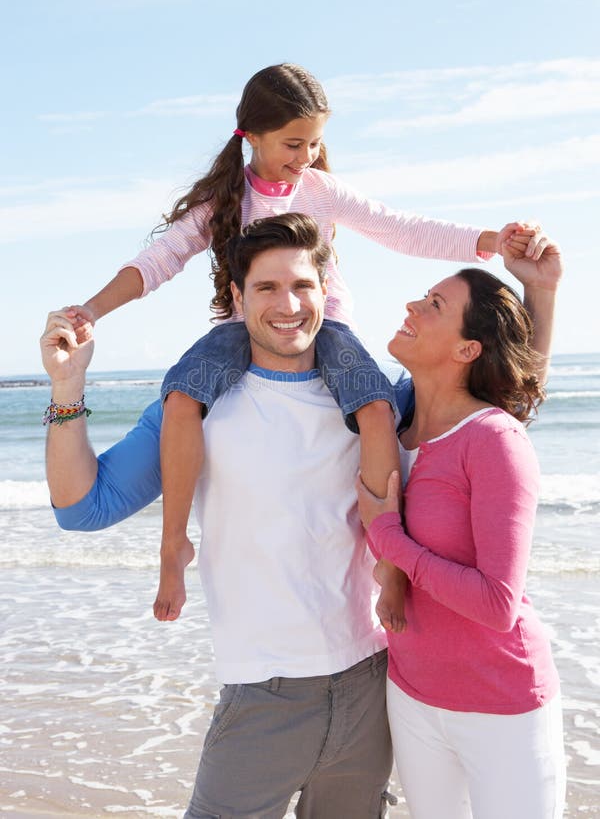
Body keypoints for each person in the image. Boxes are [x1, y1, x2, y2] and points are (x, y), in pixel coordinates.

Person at [42, 215, 559, 819]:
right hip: (264, 696)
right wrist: (67, 388)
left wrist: (540, 292)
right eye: (265, 288)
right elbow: (83, 507)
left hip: (376, 689)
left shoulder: (379, 400)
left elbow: (496, 400)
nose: (287, 305)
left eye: (302, 286)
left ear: (326, 291)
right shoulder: (195, 410)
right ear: (237, 298)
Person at [64, 62, 543, 624]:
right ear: (252, 135)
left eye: (315, 143)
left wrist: (488, 238)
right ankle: (174, 545)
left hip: (328, 328)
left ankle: (388, 567)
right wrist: (91, 309)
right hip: (240, 330)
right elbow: (158, 261)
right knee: (179, 398)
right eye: (294, 143)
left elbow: (399, 227)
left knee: (375, 410)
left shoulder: (320, 190)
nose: (306, 156)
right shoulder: (226, 198)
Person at [357, 238, 565, 818]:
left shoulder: (494, 439)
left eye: (435, 306)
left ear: (468, 348)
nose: (413, 307)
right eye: (425, 297)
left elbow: (497, 603)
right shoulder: (387, 427)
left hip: (503, 702)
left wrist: (390, 540)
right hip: (412, 693)